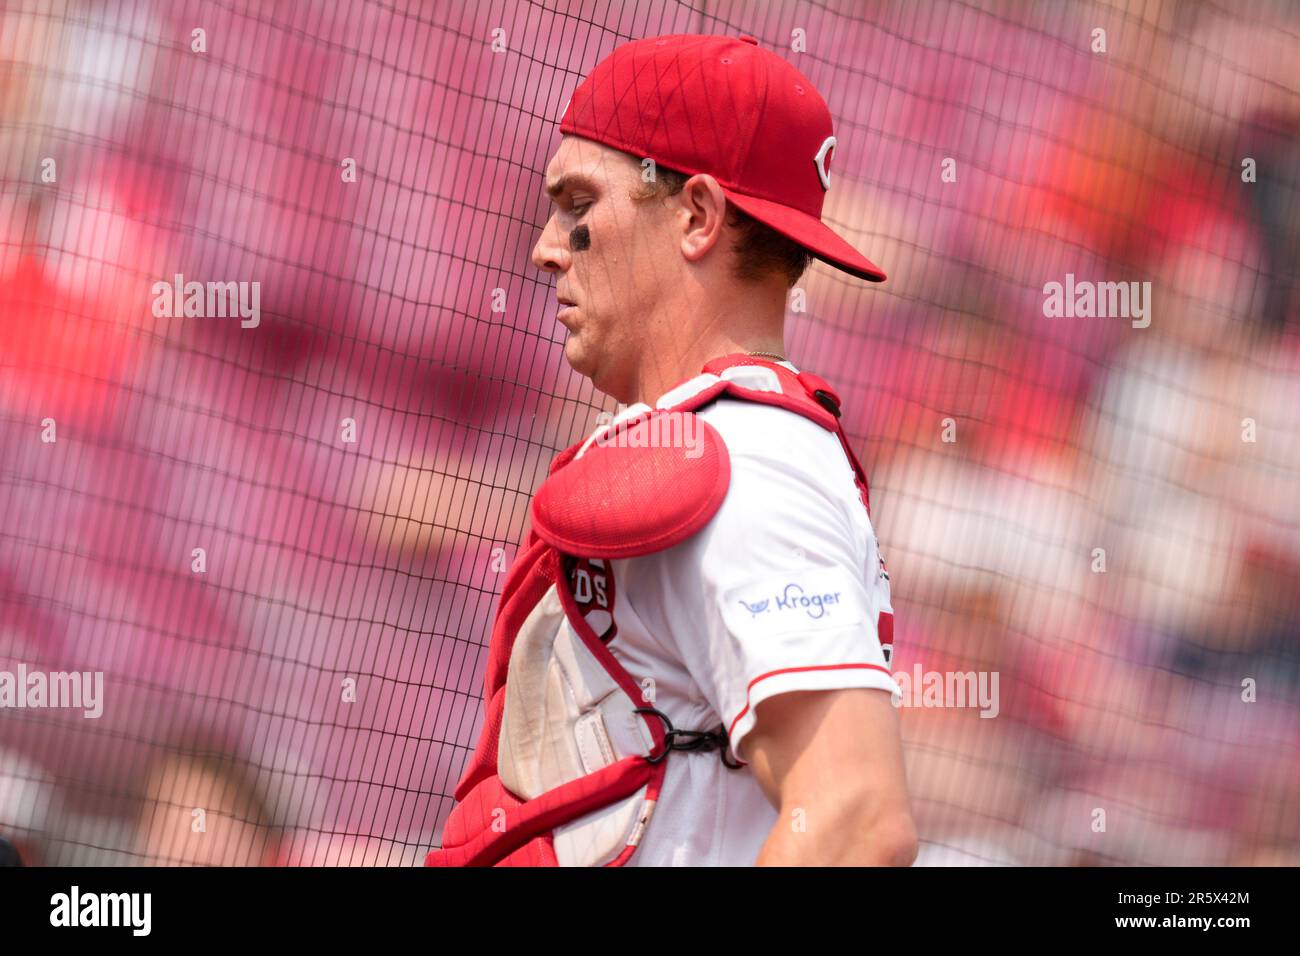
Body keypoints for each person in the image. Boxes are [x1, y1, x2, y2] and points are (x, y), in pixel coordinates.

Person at [428, 33, 915, 867]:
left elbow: (855, 820)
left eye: (578, 204)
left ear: (696, 216)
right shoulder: (714, 440)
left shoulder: (746, 457)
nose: (548, 245)